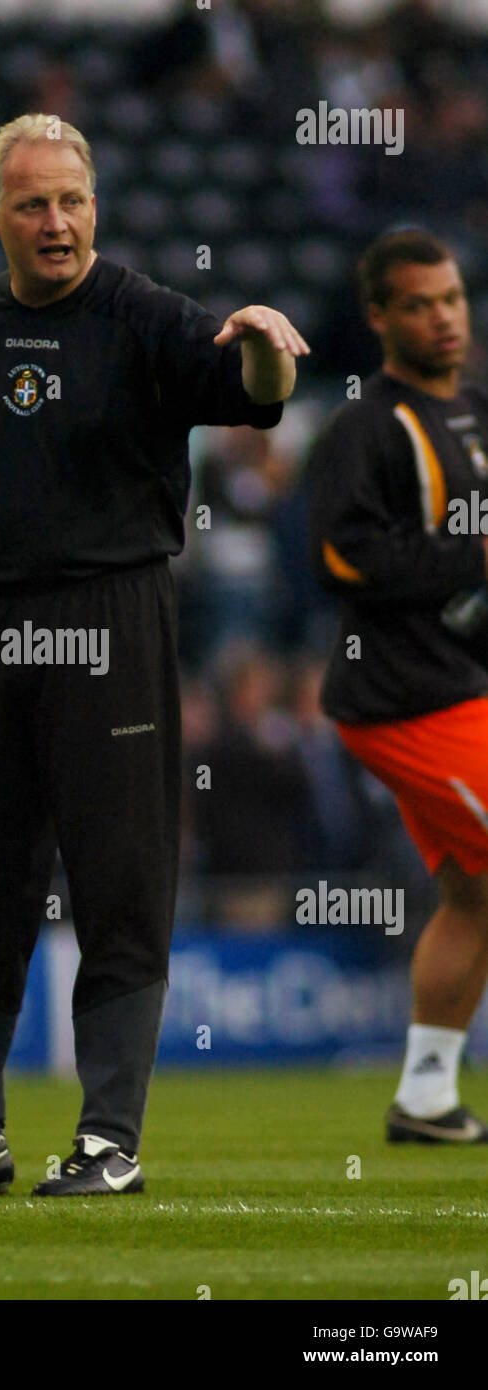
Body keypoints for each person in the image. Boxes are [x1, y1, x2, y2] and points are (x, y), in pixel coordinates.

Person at [0, 113, 305, 1196]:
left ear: (96, 207)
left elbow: (252, 397)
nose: (55, 221)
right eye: (31, 204)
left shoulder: (144, 318)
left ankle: (108, 1142)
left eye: (71, 200)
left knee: (118, 881)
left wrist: (262, 343)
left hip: (112, 616)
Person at [309, 229, 488, 1143]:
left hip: (462, 684)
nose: (442, 318)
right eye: (418, 304)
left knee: (474, 896)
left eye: (451, 298)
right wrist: (472, 556)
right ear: (379, 317)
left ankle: (424, 1096)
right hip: (406, 696)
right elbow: (342, 554)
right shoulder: (365, 426)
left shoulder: (478, 410)